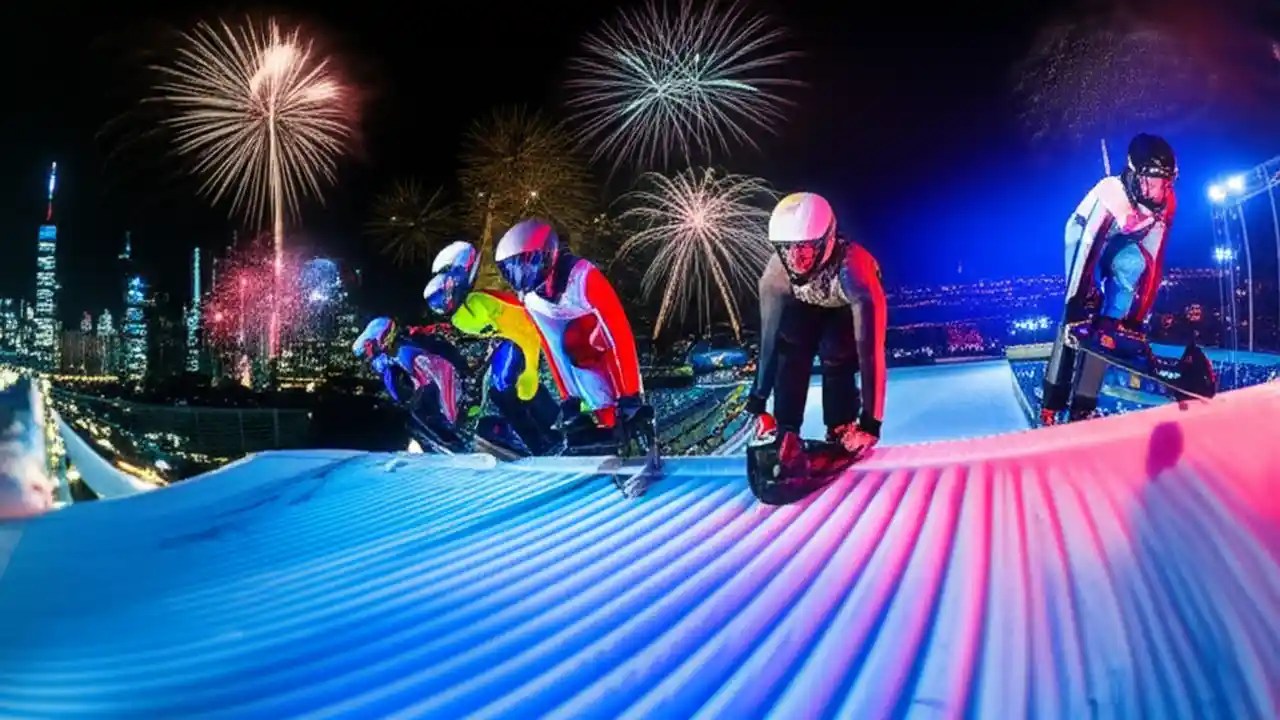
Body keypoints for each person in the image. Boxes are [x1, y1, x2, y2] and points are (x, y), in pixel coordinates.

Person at [745, 191, 888, 478]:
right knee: (790, 347)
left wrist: (870, 424)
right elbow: (769, 341)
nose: (796, 260)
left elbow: (870, 352)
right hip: (806, 305)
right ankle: (787, 430)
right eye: (787, 249)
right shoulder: (776, 275)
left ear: (827, 241)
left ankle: (840, 424)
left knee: (838, 351)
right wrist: (757, 404)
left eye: (806, 248)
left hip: (844, 306)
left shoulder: (855, 272)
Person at [1041, 133, 1178, 424]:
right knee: (1074, 315)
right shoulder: (1110, 191)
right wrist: (1078, 301)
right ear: (1137, 175)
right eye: (1154, 182)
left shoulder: (1166, 202)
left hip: (1124, 241)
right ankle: (1052, 402)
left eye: (1167, 182)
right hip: (1085, 233)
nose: (1160, 191)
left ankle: (1084, 404)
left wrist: (1135, 320)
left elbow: (1153, 260)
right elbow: (1087, 249)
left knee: (1112, 321)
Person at [493, 218, 653, 452]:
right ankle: (608, 430)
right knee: (572, 349)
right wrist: (569, 398)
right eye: (512, 270)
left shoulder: (584, 278)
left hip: (597, 336)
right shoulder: (531, 298)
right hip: (574, 341)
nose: (521, 277)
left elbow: (619, 333)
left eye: (527, 264)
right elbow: (552, 346)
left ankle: (631, 430)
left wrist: (630, 395)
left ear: (547, 255)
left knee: (586, 342)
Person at [424, 240, 562, 455]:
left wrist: (531, 369)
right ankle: (546, 435)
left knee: (506, 390)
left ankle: (546, 438)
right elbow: (505, 329)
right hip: (519, 338)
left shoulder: (477, 305)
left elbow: (524, 329)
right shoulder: (467, 312)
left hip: (529, 335)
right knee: (507, 390)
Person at [352, 316, 470, 453]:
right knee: (419, 414)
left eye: (369, 348)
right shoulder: (399, 347)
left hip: (439, 376)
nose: (369, 354)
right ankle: (454, 440)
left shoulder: (402, 347)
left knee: (421, 412)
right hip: (436, 377)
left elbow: (397, 388)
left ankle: (457, 443)